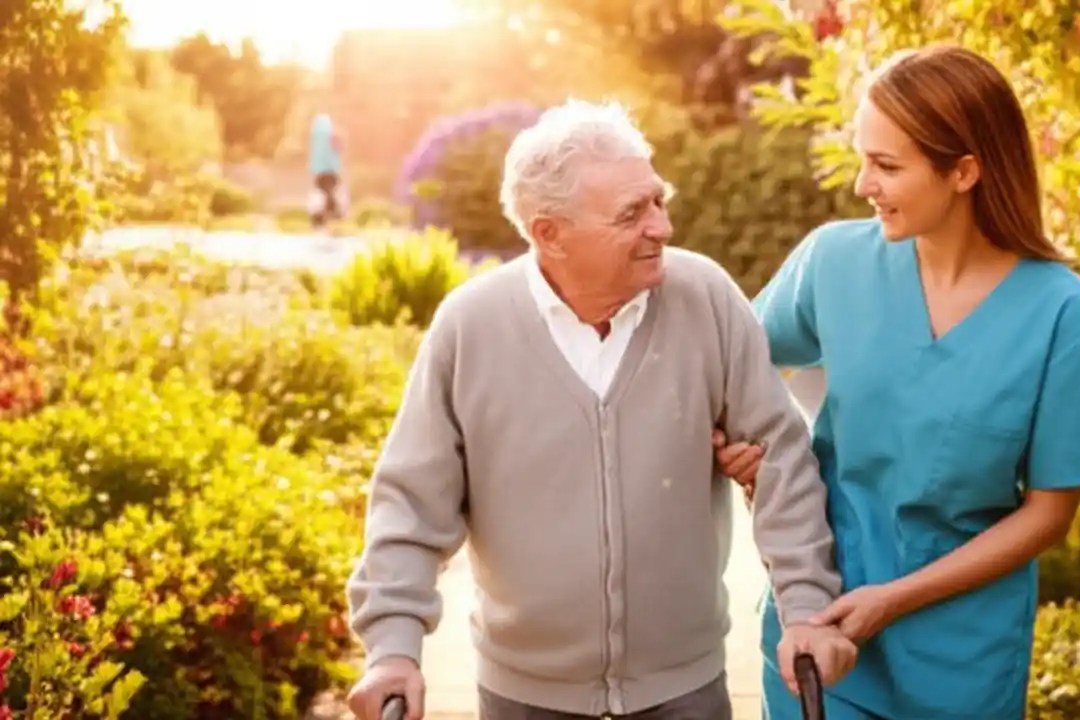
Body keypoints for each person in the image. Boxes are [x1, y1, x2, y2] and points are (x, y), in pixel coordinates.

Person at [344, 99, 858, 720]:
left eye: (658, 201)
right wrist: (393, 649)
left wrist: (804, 606)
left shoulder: (707, 301)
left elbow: (782, 463)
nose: (662, 228)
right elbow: (411, 500)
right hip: (524, 694)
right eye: (631, 213)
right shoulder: (471, 327)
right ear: (548, 233)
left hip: (685, 687)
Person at [713, 45, 1080, 719]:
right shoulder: (833, 264)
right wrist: (752, 448)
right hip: (818, 634)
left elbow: (1049, 514)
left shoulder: (1064, 316)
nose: (862, 185)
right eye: (863, 158)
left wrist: (893, 598)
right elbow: (721, 365)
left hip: (962, 659)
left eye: (886, 165)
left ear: (965, 171)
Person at [308, 113, 345, 228]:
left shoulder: (316, 137)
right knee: (328, 195)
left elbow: (315, 155)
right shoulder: (332, 136)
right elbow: (337, 151)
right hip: (330, 171)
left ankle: (323, 219)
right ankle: (331, 216)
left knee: (325, 195)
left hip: (321, 172)